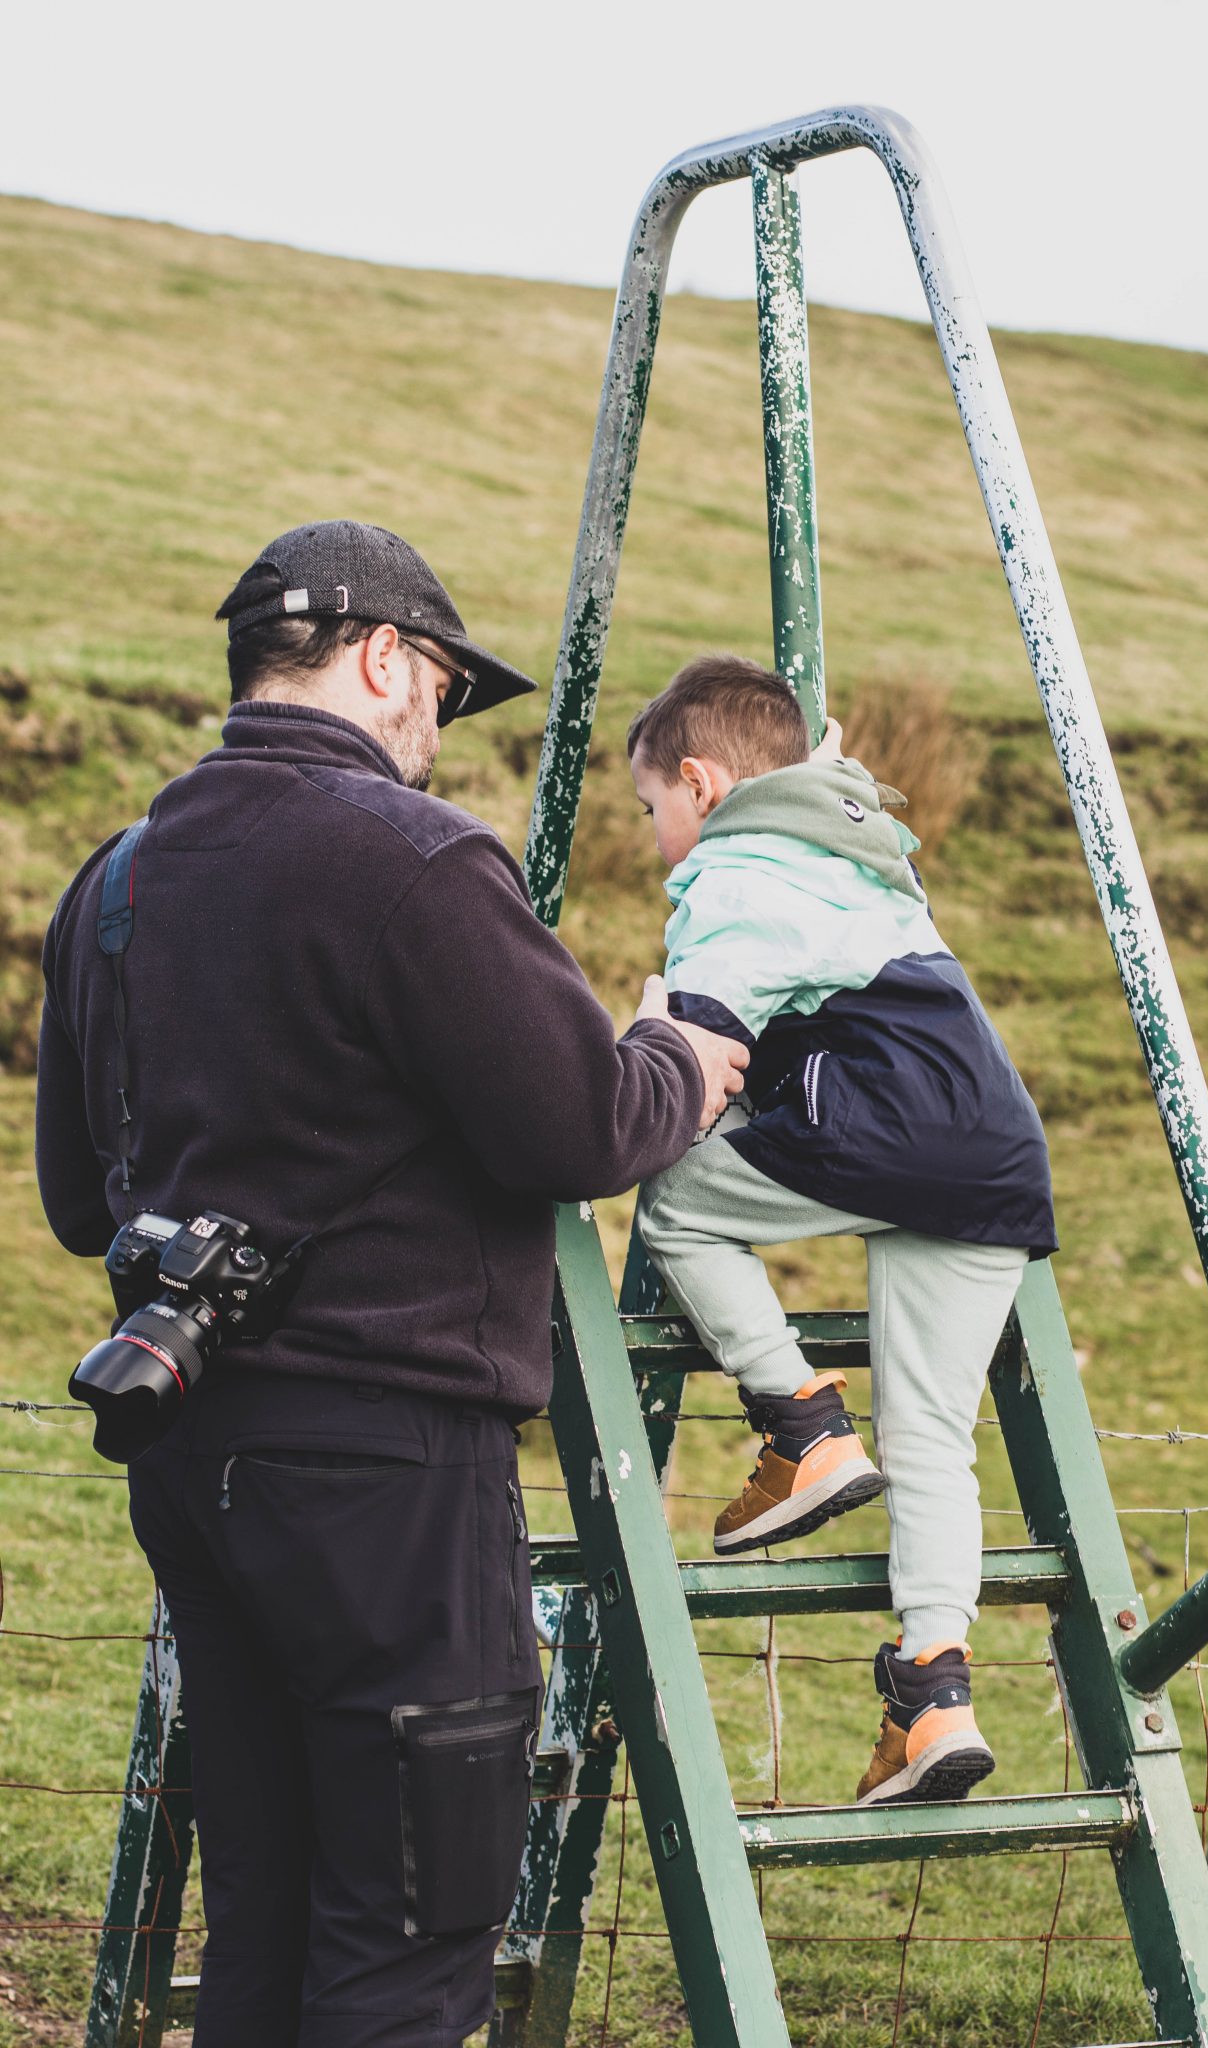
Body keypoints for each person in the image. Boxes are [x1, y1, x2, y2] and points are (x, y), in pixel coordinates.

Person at [34, 521, 748, 2048]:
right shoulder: (414, 860)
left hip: (190, 1455)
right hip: (389, 1484)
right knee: (410, 1945)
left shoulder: (117, 883)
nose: (434, 726)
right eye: (436, 683)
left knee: (266, 1931)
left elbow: (74, 1201)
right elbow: (580, 1122)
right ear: (378, 658)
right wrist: (678, 1055)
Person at [628, 653, 1056, 1807]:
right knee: (931, 1438)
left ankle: (801, 1420)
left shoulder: (737, 870)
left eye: (652, 807)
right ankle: (932, 1693)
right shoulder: (864, 859)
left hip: (887, 1133)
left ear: (702, 783)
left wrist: (630, 1053)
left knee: (675, 1199)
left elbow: (699, 1058)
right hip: (993, 1152)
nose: (654, 834)